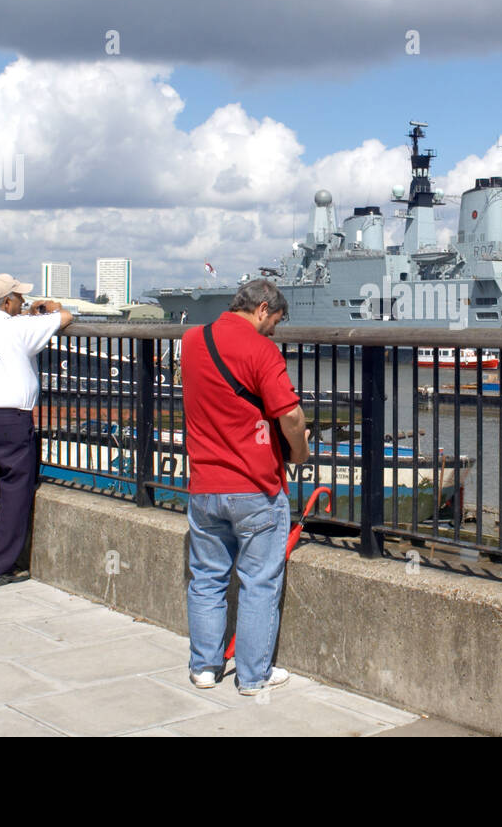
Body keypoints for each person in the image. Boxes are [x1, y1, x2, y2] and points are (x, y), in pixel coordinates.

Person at [181, 278, 309, 696]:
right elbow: (290, 415)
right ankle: (253, 676)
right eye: (275, 320)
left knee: (206, 577)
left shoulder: (192, 339)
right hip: (254, 485)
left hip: (203, 484)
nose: (275, 329)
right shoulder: (261, 349)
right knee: (259, 581)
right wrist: (300, 453)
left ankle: (204, 668)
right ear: (262, 308)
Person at [0, 275, 73, 586]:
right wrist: (50, 307)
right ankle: (3, 565)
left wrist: (29, 314)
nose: (23, 302)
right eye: (19, 298)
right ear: (8, 302)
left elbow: (12, 326)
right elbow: (65, 318)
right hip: (12, 419)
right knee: (15, 490)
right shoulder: (18, 327)